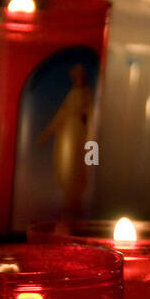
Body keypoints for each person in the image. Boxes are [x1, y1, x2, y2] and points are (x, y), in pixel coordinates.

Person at [36, 63, 93, 217]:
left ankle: (76, 205)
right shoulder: (72, 94)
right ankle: (68, 205)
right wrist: (47, 133)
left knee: (79, 168)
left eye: (80, 76)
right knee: (66, 167)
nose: (77, 80)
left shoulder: (87, 94)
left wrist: (93, 152)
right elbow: (60, 115)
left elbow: (93, 118)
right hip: (67, 134)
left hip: (80, 134)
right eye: (75, 77)